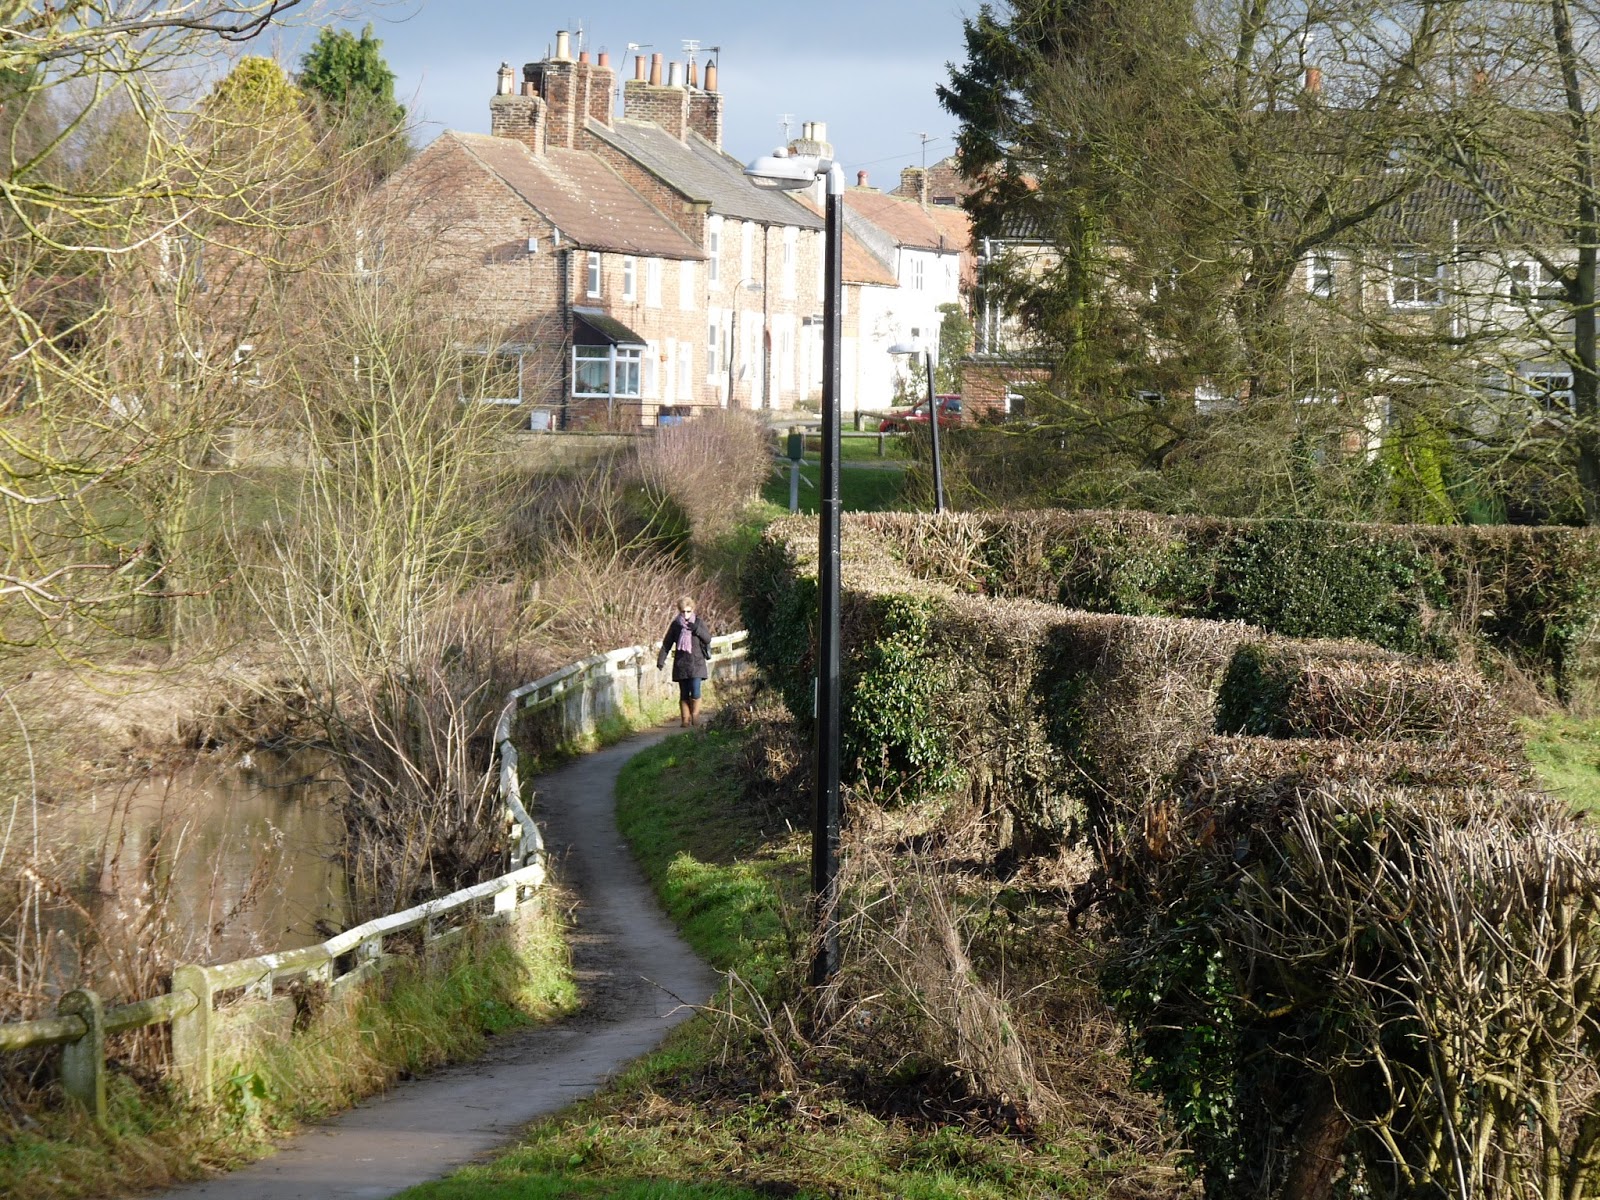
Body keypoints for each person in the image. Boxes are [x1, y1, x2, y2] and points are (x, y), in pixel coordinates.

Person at [657, 596, 712, 727]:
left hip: (697, 663)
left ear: (692, 610)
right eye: (683, 611)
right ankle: (685, 720)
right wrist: (661, 660)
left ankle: (695, 716)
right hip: (681, 664)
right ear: (679, 611)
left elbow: (708, 639)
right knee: (684, 692)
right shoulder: (676, 625)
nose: (686, 614)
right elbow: (667, 644)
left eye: (688, 611)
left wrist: (697, 630)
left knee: (696, 690)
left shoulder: (698, 622)